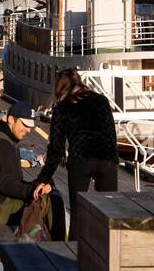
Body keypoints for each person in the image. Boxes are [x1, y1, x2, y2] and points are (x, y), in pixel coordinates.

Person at [35, 68, 119, 233]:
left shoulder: (62, 108)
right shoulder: (101, 100)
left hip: (81, 159)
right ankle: (108, 252)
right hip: (107, 158)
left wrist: (43, 178)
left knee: (78, 215)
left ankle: (75, 252)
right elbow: (111, 134)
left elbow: (56, 148)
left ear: (60, 88)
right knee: (110, 212)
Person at [0, 101, 65, 238]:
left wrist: (37, 186)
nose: (28, 130)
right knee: (53, 201)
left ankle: (48, 239)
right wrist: (33, 190)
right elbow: (7, 184)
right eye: (25, 125)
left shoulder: (3, 139)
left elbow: (10, 182)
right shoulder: (1, 144)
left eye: (30, 126)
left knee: (49, 190)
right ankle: (60, 247)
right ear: (11, 120)